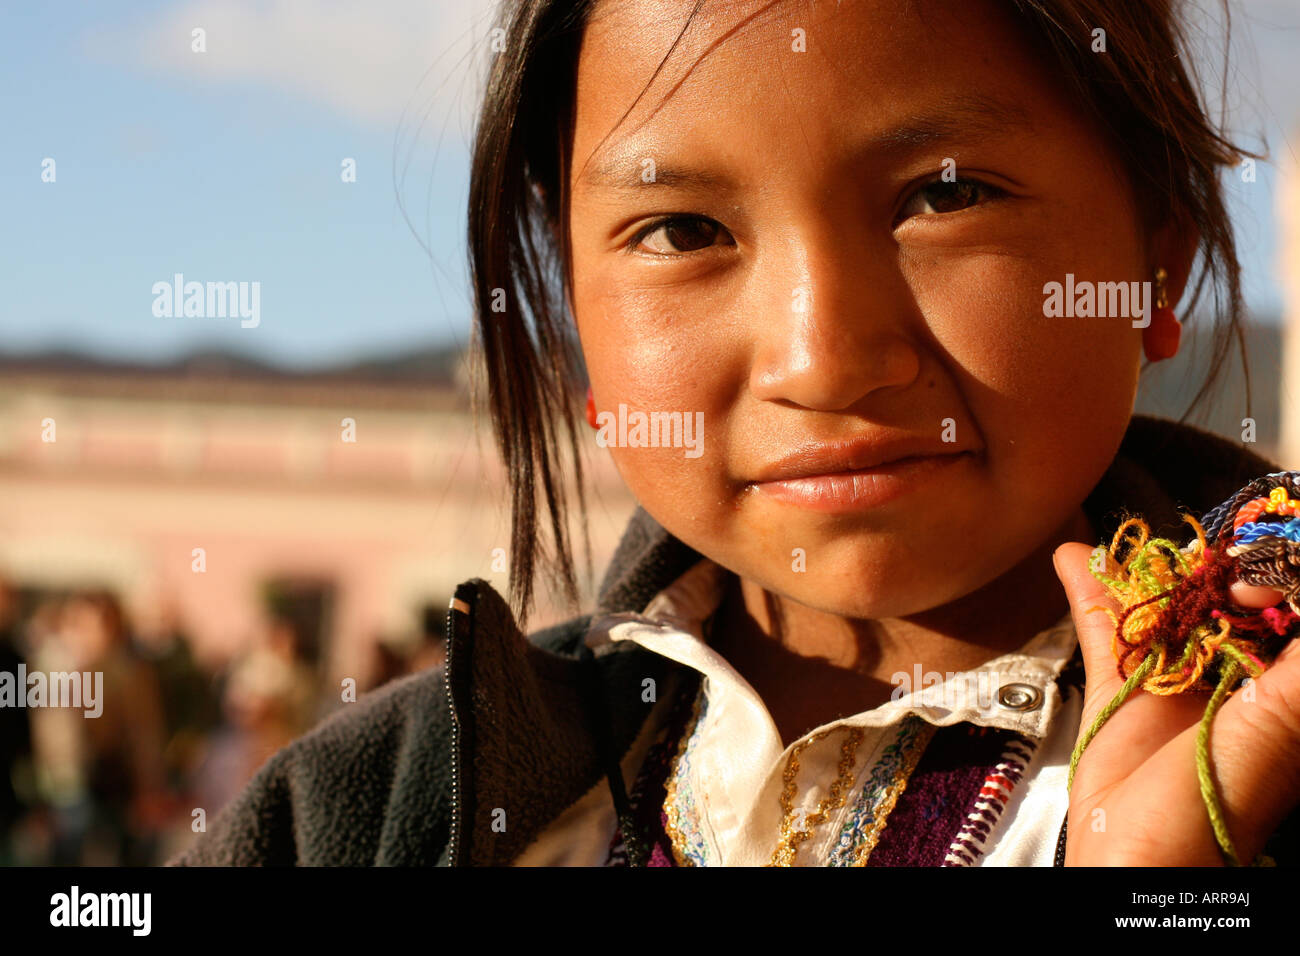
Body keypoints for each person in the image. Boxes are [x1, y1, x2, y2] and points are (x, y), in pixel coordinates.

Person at [169, 0, 1300, 866]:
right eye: (683, 228)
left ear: (1160, 261)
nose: (820, 357)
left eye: (946, 197)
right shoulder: (356, 811)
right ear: (581, 333)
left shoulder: (1266, 749)